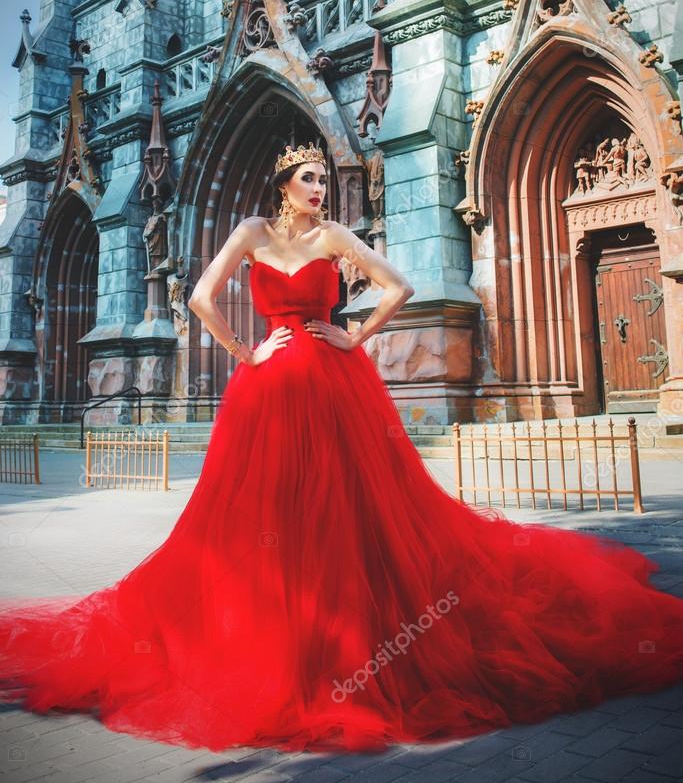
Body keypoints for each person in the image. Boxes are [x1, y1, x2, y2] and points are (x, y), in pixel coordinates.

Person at [1, 140, 683, 756]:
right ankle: (269, 624)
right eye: (308, 178)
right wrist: (247, 351)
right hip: (265, 391)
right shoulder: (249, 232)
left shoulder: (335, 237)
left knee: (353, 505)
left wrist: (353, 339)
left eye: (323, 178)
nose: (320, 187)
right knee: (260, 513)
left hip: (334, 385)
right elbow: (201, 299)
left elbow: (401, 287)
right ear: (282, 184)